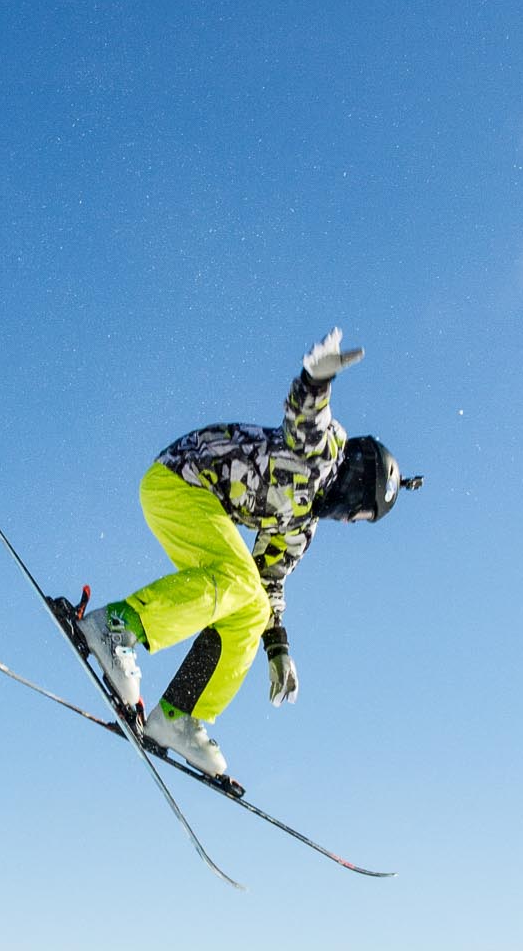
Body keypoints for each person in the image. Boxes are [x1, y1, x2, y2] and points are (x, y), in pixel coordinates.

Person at [77, 329, 419, 776]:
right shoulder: (323, 452)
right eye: (358, 512)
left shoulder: (302, 526)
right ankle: (115, 628)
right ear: (359, 478)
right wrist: (315, 379)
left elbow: (269, 581)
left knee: (252, 606)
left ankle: (180, 717)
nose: (348, 520)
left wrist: (278, 648)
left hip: (201, 508)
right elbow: (305, 417)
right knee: (238, 581)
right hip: (179, 480)